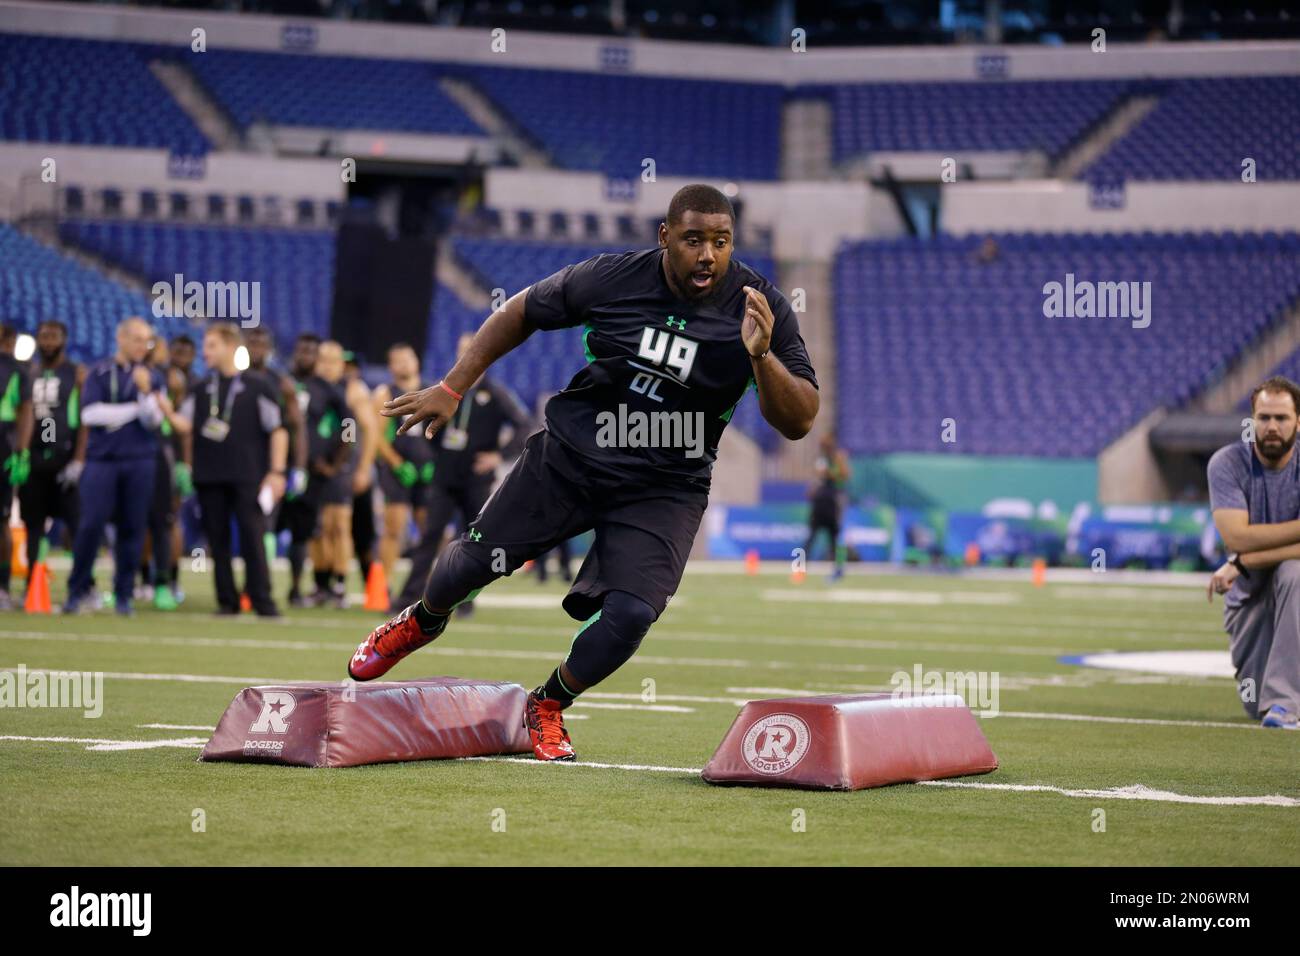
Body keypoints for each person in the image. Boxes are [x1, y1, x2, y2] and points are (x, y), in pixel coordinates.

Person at [347, 183, 819, 761]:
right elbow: (518, 311)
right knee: (468, 566)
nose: (708, 256)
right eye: (693, 240)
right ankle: (422, 619)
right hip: (571, 458)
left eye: (721, 242)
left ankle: (546, 704)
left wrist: (761, 355)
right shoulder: (611, 277)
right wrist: (452, 387)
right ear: (664, 237)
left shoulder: (759, 306)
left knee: (632, 615)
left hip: (665, 485)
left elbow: (798, 420)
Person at [388, 332, 533, 615]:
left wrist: (498, 456)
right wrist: (430, 456)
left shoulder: (495, 393)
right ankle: (407, 597)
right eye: (462, 351)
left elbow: (524, 425)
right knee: (429, 537)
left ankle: (465, 601)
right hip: (443, 477)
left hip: (476, 481)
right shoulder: (444, 390)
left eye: (473, 349)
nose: (467, 355)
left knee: (474, 543)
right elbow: (423, 426)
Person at [65, 317, 186, 615]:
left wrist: (145, 393)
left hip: (140, 461)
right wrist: (135, 408)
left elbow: (154, 420)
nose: (141, 346)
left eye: (146, 341)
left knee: (133, 528)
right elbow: (91, 415)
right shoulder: (99, 372)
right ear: (120, 338)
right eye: (135, 339)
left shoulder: (152, 377)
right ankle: (77, 590)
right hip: (102, 460)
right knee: (91, 524)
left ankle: (124, 594)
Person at [1207, 376, 1300, 729]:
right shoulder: (1227, 463)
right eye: (1264, 418)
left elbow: (1243, 550)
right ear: (1252, 420)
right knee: (1253, 701)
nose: (1272, 427)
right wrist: (1241, 556)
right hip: (1248, 598)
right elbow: (1236, 538)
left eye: (1282, 418)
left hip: (1288, 587)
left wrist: (1241, 563)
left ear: (1298, 421)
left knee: (1294, 571)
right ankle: (1278, 700)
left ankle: (1284, 704)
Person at [177, 323, 287, 617]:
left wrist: (277, 472)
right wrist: (159, 402)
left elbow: (278, 430)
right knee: (217, 540)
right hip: (209, 475)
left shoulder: (258, 385)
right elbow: (184, 426)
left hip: (247, 475)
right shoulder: (200, 388)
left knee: (253, 536)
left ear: (229, 346)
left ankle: (263, 600)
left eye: (211, 345)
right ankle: (227, 601)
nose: (205, 352)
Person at [278, 333, 349, 606]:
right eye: (302, 350)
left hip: (310, 471)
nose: (306, 355)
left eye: (311, 351)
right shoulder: (280, 381)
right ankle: (255, 586)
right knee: (266, 525)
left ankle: (295, 588)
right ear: (295, 352)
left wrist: (334, 463)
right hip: (277, 466)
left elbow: (349, 428)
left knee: (302, 532)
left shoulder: (327, 389)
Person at [308, 340, 375, 607]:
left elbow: (368, 429)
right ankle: (320, 582)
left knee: (339, 525)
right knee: (318, 527)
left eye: (333, 361)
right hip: (316, 467)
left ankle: (339, 584)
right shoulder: (312, 388)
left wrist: (363, 468)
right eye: (322, 359)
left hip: (342, 467)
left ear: (342, 365)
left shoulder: (353, 390)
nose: (326, 366)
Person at [20, 320, 84, 597]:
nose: (48, 342)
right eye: (43, 336)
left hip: (65, 458)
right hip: (34, 459)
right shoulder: (28, 372)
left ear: (64, 340)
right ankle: (33, 584)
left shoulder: (76, 373)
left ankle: (83, 585)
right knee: (33, 524)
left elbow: (85, 420)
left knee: (77, 524)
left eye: (53, 336)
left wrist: (79, 459)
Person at [372, 343, 435, 594]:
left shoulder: (433, 389)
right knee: (393, 528)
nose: (404, 364)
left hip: (427, 470)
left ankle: (427, 587)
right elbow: (377, 437)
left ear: (416, 361)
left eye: (407, 359)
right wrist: (397, 464)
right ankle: (382, 588)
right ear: (390, 367)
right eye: (397, 361)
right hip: (397, 471)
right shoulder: (386, 393)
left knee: (429, 530)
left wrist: (435, 462)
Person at [0, 323, 34, 608]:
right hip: (7, 446)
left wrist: (21, 451)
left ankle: (2, 586)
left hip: (4, 447)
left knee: (2, 521)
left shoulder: (18, 370)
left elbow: (27, 412)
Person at [804, 431, 851, 581]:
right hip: (822, 502)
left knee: (833, 539)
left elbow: (844, 475)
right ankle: (800, 568)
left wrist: (830, 472)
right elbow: (818, 476)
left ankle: (838, 570)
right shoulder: (823, 460)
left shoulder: (837, 458)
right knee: (812, 537)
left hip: (832, 502)